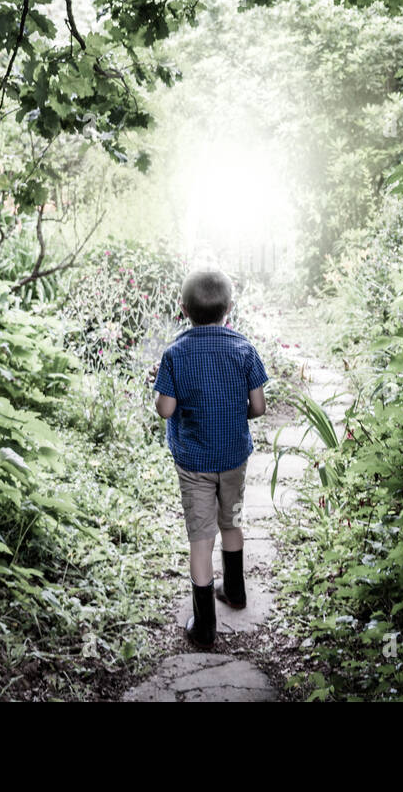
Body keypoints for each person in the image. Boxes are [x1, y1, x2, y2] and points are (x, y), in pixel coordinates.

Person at [153, 270, 267, 648]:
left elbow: (166, 411)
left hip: (194, 464)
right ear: (229, 309)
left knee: (201, 540)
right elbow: (259, 406)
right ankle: (235, 592)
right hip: (234, 459)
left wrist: (163, 390)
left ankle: (204, 629)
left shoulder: (175, 354)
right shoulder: (244, 349)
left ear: (183, 310)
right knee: (231, 523)